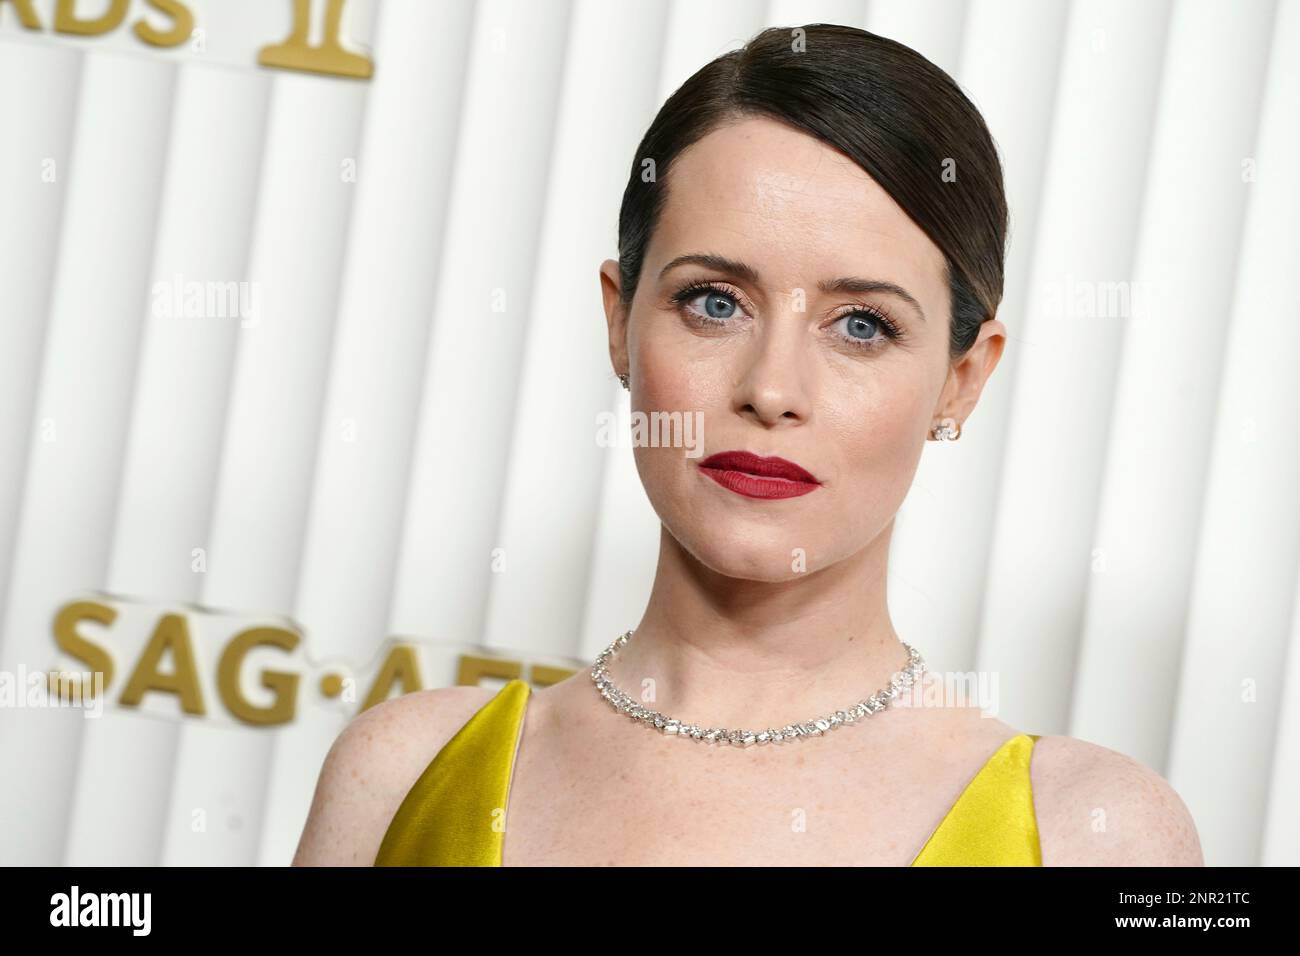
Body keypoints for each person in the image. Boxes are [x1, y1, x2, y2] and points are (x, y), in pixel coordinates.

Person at [293, 22, 1203, 867]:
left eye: (862, 325)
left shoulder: (1094, 831)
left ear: (963, 378)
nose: (771, 390)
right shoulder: (401, 774)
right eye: (715, 303)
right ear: (620, 322)